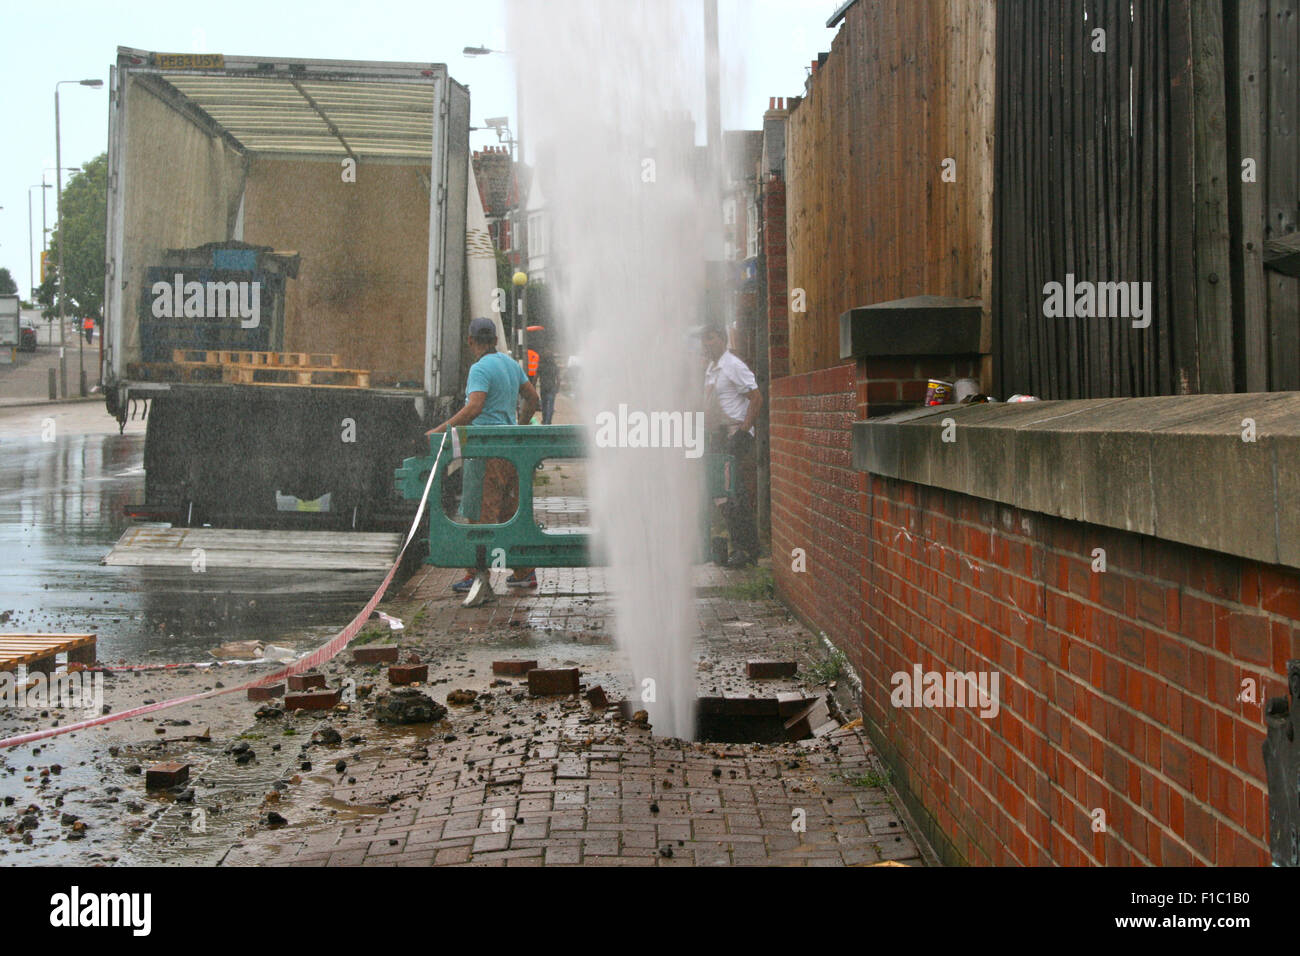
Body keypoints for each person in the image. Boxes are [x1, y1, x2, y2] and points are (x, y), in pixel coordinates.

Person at [430, 317, 541, 591]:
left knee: (481, 513)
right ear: (494, 340)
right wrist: (521, 425)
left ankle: (476, 576)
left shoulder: (479, 369)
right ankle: (525, 572)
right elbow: (533, 399)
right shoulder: (510, 365)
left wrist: (439, 430)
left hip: (485, 450)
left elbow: (475, 407)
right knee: (509, 511)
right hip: (511, 451)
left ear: (470, 341)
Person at [695, 324, 763, 568]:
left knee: (736, 494)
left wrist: (744, 432)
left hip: (735, 436)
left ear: (722, 339)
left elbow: (756, 397)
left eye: (711, 339)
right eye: (704, 340)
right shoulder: (712, 370)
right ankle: (742, 546)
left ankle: (746, 550)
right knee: (723, 494)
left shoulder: (733, 366)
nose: (707, 344)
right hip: (719, 438)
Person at [536, 346, 561, 425]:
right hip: (552, 387)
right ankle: (548, 421)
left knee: (544, 405)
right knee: (551, 405)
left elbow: (535, 377)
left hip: (543, 387)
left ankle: (544, 420)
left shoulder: (541, 366)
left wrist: (532, 386)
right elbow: (558, 378)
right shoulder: (554, 367)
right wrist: (557, 387)